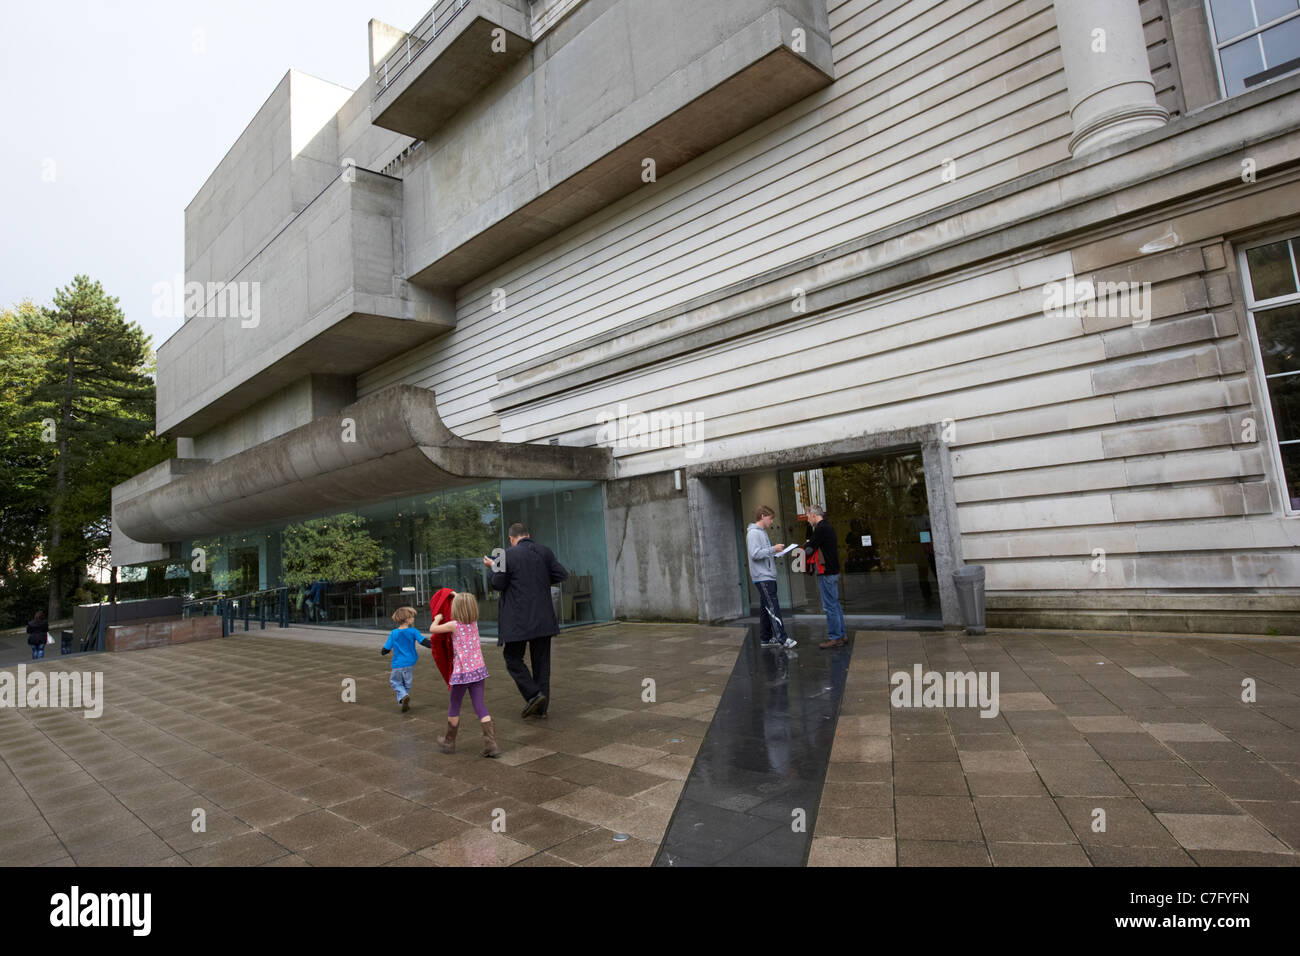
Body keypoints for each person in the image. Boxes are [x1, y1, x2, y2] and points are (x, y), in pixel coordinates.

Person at [485, 522, 568, 718]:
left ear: (512, 539)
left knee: (513, 658)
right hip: (543, 619)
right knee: (542, 665)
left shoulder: (505, 555)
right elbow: (561, 574)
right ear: (528, 535)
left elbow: (497, 584)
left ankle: (533, 694)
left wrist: (493, 566)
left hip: (518, 620)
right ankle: (542, 709)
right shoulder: (544, 552)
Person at [428, 593, 500, 757]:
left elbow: (433, 629)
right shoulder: (474, 624)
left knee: (454, 704)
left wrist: (438, 617)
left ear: (456, 609)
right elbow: (464, 599)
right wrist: (453, 593)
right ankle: (491, 743)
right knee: (480, 705)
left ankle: (449, 741)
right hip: (478, 671)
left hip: (461, 674)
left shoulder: (454, 625)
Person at [747, 506, 796, 648]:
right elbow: (755, 554)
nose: (772, 521)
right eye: (770, 518)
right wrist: (773, 549)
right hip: (763, 576)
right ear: (763, 516)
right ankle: (782, 638)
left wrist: (774, 552)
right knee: (773, 606)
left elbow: (762, 553)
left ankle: (765, 638)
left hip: (766, 575)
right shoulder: (754, 534)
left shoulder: (762, 533)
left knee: (766, 607)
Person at [803, 505, 847, 649]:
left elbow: (809, 549)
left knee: (829, 606)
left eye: (808, 516)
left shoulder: (821, 529)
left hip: (826, 572)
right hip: (832, 571)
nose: (807, 520)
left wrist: (804, 545)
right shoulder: (828, 527)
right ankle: (841, 635)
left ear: (814, 515)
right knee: (835, 604)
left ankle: (835, 637)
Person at [381, 606, 431, 712]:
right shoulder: (413, 631)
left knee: (395, 682)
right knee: (407, 683)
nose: (413, 619)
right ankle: (404, 698)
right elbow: (423, 642)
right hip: (410, 663)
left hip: (397, 664)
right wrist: (434, 645)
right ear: (407, 619)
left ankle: (403, 697)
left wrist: (383, 652)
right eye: (412, 617)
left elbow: (386, 648)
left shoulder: (394, 633)